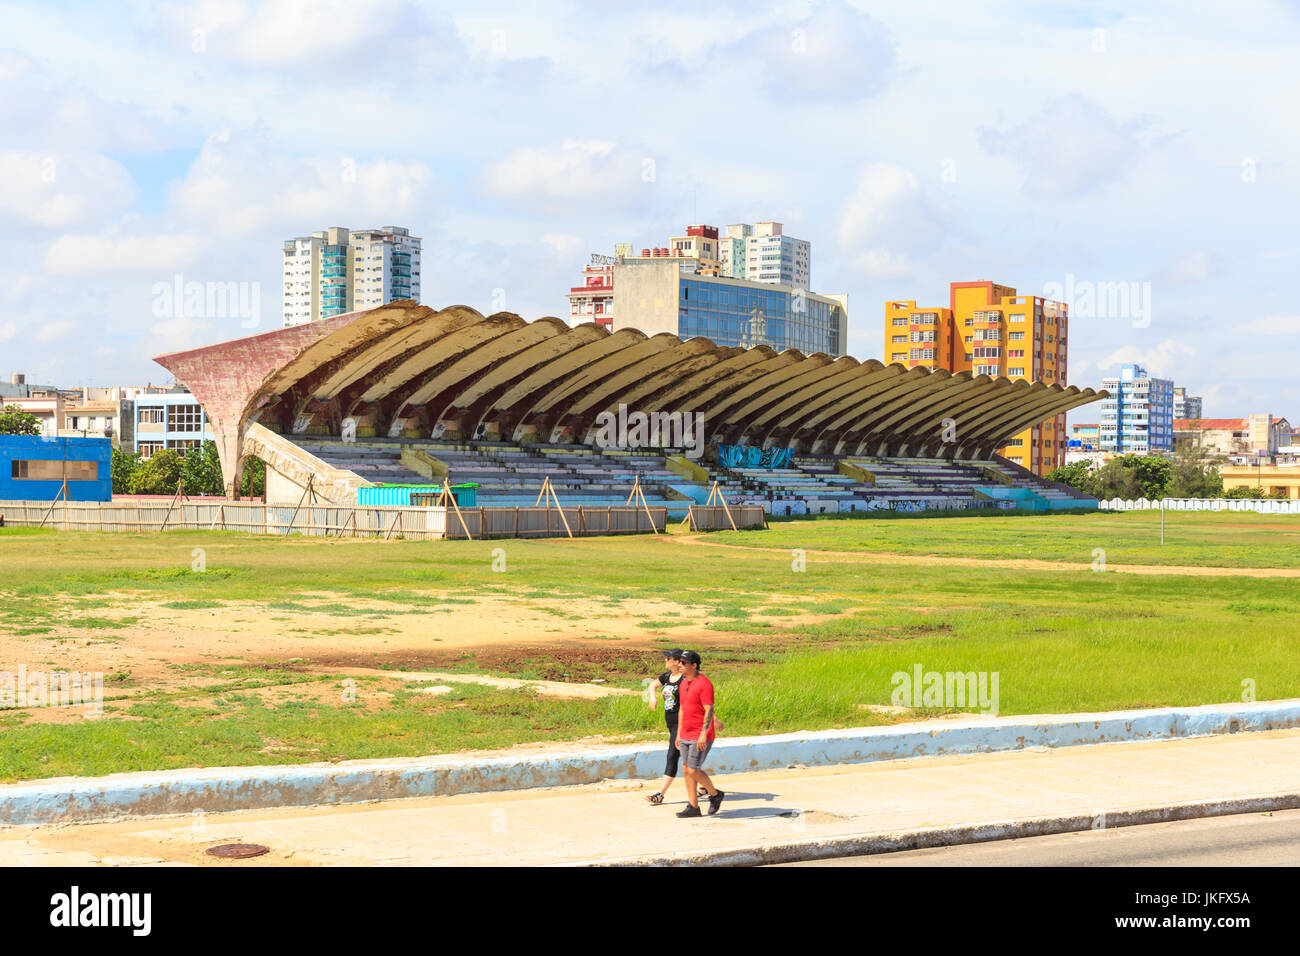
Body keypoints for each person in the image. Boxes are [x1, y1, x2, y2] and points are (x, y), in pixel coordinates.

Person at [674, 649, 725, 818]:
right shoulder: (683, 683)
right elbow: (682, 709)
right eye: (679, 662)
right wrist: (679, 733)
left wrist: (703, 734)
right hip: (686, 733)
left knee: (693, 770)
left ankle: (715, 794)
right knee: (686, 768)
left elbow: (709, 709)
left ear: (694, 666)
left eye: (683, 663)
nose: (679, 665)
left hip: (700, 734)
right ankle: (693, 807)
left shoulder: (704, 683)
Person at [645, 649, 685, 805]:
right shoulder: (668, 676)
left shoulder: (685, 680)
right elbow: (652, 685)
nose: (665, 661)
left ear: (677, 661)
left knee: (672, 756)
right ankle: (707, 788)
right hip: (671, 723)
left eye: (668, 658)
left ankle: (660, 794)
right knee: (687, 759)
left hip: (681, 724)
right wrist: (653, 699)